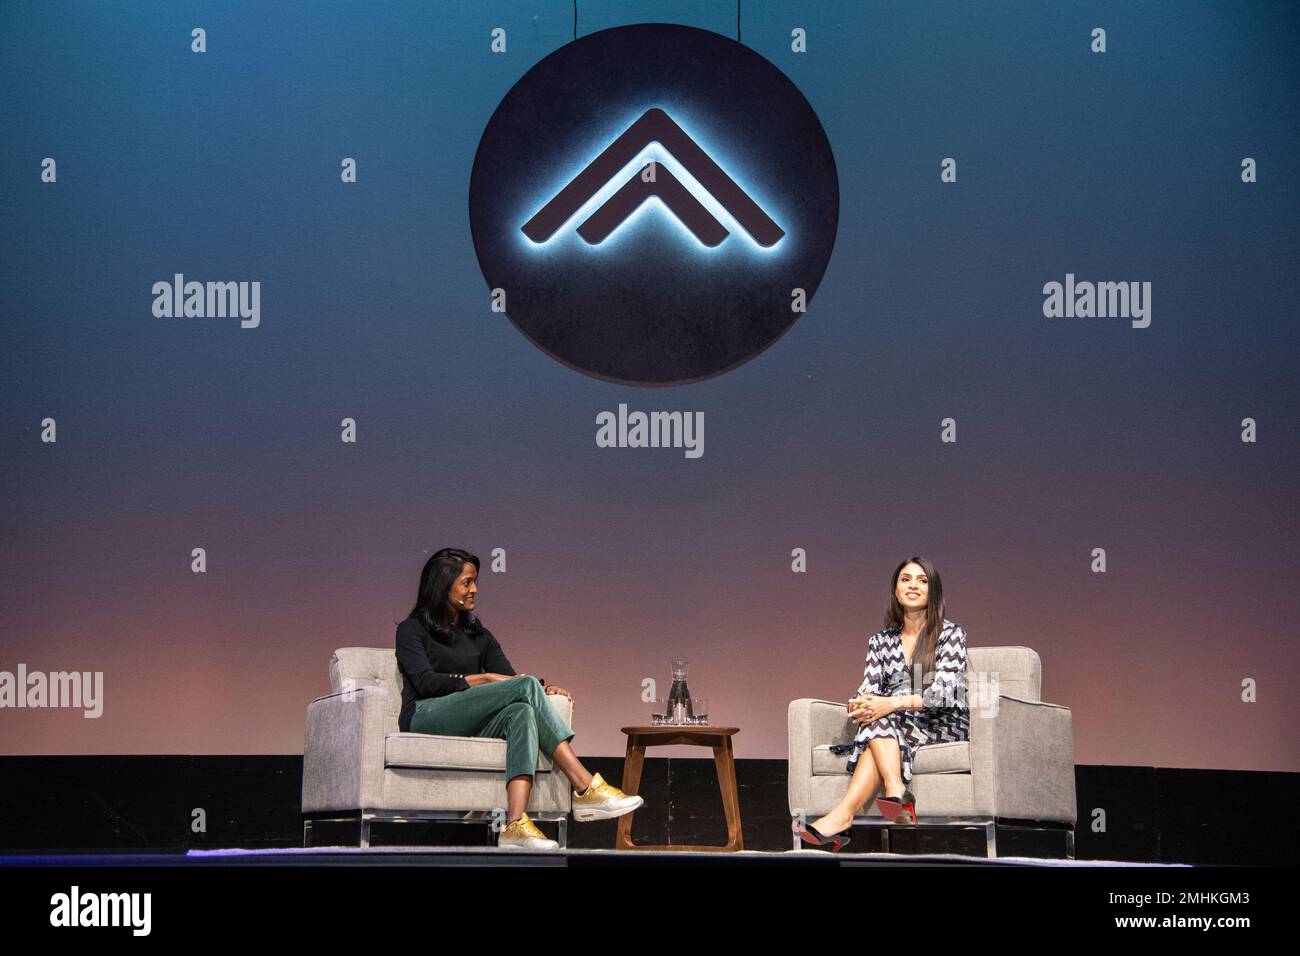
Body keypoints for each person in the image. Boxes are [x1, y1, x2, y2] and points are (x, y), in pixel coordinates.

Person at [396, 547, 643, 849]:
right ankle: (583, 785)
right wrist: (484, 679)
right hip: (425, 715)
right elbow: (425, 682)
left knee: (522, 711)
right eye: (467, 582)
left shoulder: (479, 635)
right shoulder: (412, 629)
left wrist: (544, 687)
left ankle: (515, 824)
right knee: (525, 690)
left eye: (476, 581)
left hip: (466, 719)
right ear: (441, 584)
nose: (475, 589)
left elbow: (513, 682)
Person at [796, 556, 971, 851]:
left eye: (922, 580)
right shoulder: (880, 640)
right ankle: (895, 793)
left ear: (933, 591)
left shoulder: (950, 634)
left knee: (884, 714)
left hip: (942, 722)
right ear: (896, 590)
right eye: (905, 579)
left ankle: (844, 816)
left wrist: (890, 703)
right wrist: (860, 704)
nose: (913, 585)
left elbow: (944, 694)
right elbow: (869, 687)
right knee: (877, 715)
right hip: (898, 721)